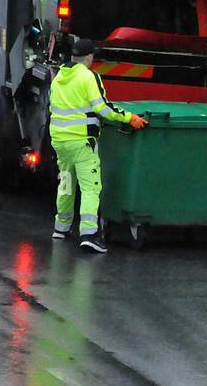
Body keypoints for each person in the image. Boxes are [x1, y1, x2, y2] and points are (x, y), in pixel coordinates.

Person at [49, 37, 148, 253]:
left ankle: (61, 227)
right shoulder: (88, 76)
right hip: (81, 141)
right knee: (91, 187)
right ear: (89, 56)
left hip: (59, 140)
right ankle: (89, 234)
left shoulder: (58, 77)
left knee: (66, 182)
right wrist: (129, 117)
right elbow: (102, 108)